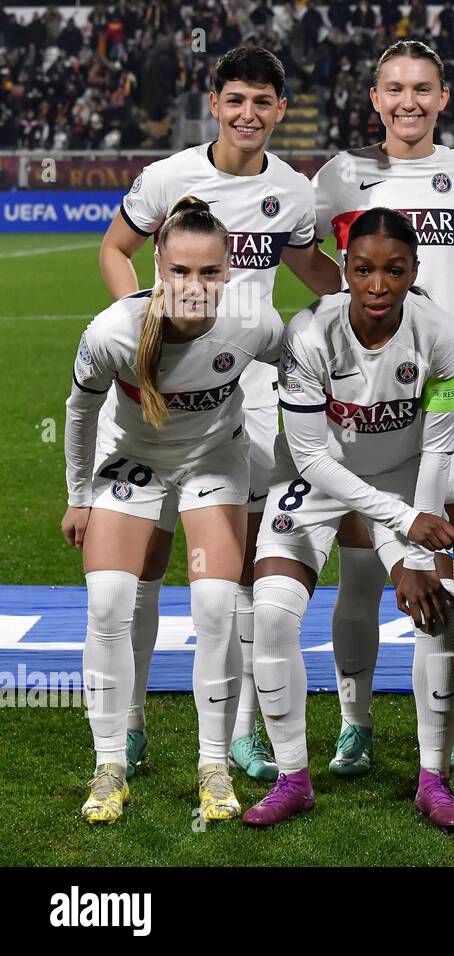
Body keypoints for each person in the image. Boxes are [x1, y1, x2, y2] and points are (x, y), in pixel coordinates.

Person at [97, 46, 342, 784]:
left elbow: (311, 272)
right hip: (159, 384)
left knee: (232, 571)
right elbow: (117, 249)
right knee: (144, 561)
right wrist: (136, 336)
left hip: (251, 389)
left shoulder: (292, 192)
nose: (249, 115)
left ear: (281, 109)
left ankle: (239, 735)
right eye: (236, 99)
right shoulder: (169, 178)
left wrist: (382, 289)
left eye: (264, 102)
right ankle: (130, 724)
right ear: (214, 100)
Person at [241, 208, 454, 827]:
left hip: (403, 472)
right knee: (273, 611)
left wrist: (415, 554)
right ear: (344, 270)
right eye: (363, 269)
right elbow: (312, 455)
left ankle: (433, 779)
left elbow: (440, 445)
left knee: (438, 607)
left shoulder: (443, 337)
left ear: (414, 272)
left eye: (394, 271)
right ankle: (293, 779)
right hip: (313, 479)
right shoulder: (308, 334)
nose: (377, 285)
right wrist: (403, 520)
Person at [311, 38, 454, 777]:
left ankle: (453, 720)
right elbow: (308, 254)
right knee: (361, 568)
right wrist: (353, 305)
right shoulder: (341, 176)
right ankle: (354, 725)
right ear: (375, 99)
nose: (409, 101)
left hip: (452, 391)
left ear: (444, 97)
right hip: (366, 399)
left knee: (451, 565)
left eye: (423, 88)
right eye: (394, 88)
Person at [66, 197, 283, 824]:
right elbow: (80, 414)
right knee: (108, 600)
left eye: (210, 273)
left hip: (215, 463)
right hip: (134, 461)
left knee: (216, 604)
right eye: (181, 271)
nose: (195, 286)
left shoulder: (253, 323)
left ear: (230, 271)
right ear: (157, 265)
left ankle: (212, 765)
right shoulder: (113, 330)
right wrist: (80, 494)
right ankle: (110, 766)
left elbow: (300, 372)